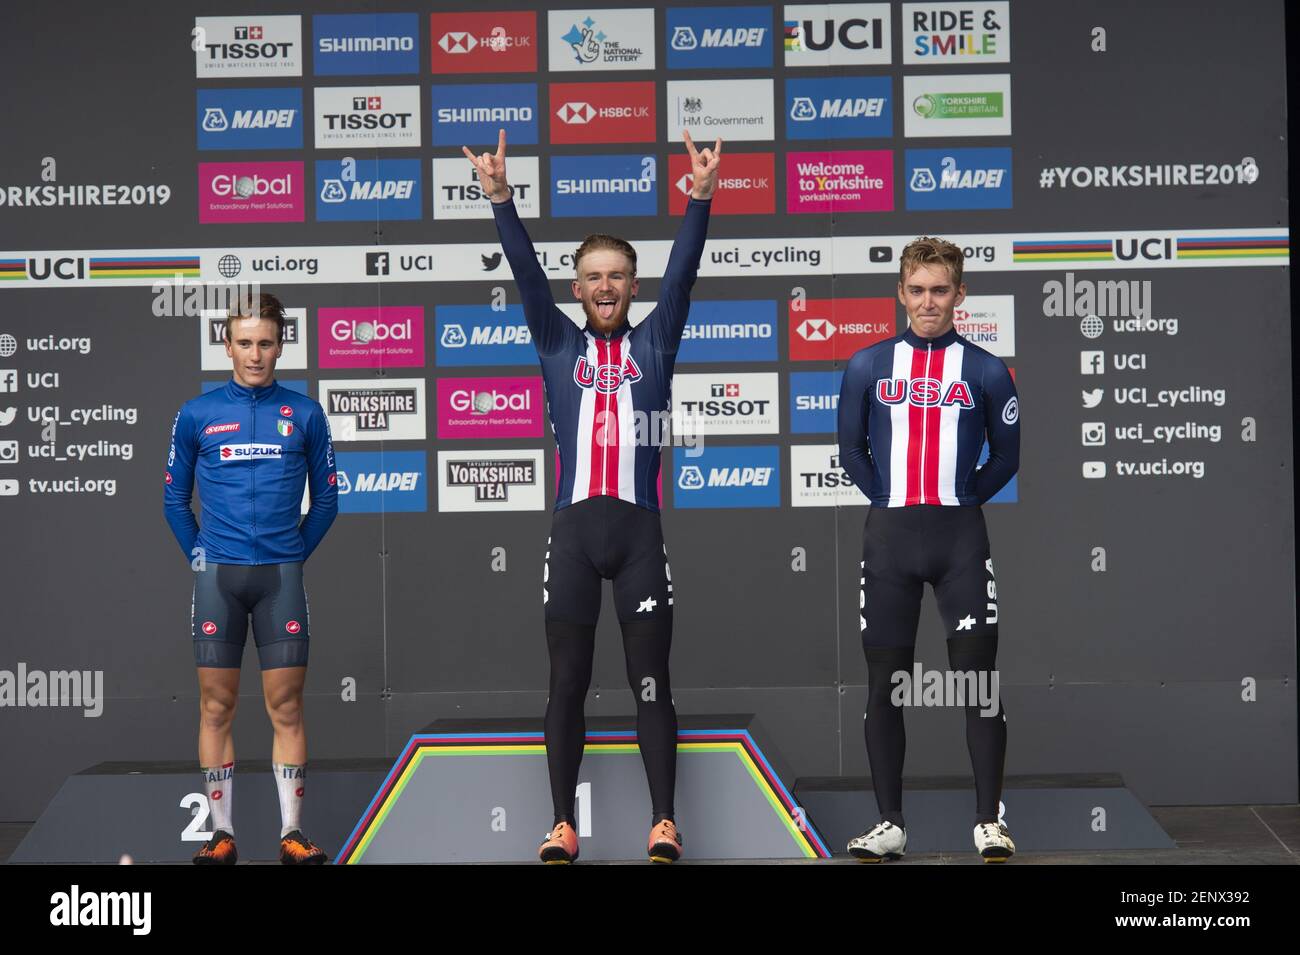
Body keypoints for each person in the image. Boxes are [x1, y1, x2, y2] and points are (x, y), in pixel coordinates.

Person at [462, 128, 720, 863]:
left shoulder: (657, 343)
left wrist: (700, 196)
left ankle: (664, 822)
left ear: (632, 287)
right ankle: (560, 824)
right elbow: (524, 276)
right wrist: (501, 199)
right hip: (574, 535)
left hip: (639, 536)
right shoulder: (555, 342)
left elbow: (686, 276)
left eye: (618, 276)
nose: (606, 286)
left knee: (650, 683)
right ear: (578, 290)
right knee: (566, 683)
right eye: (593, 276)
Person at [837, 238, 1020, 863]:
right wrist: (889, 497)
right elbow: (851, 450)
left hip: (960, 542)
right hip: (889, 542)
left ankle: (989, 822)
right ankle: (889, 822)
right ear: (900, 293)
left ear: (960, 294)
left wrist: (962, 499)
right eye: (916, 290)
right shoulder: (866, 365)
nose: (928, 302)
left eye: (940, 290)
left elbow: (1007, 456)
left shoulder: (987, 370)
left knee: (978, 683)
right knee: (884, 684)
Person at [164, 292, 339, 864]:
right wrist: (199, 556)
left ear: (280, 345)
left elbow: (328, 502)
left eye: (265, 342)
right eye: (245, 342)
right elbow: (173, 499)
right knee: (215, 707)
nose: (255, 354)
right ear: (227, 345)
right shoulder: (196, 413)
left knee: (286, 707)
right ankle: (222, 833)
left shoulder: (307, 413)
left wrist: (292, 556)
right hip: (218, 578)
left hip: (279, 578)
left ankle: (292, 832)